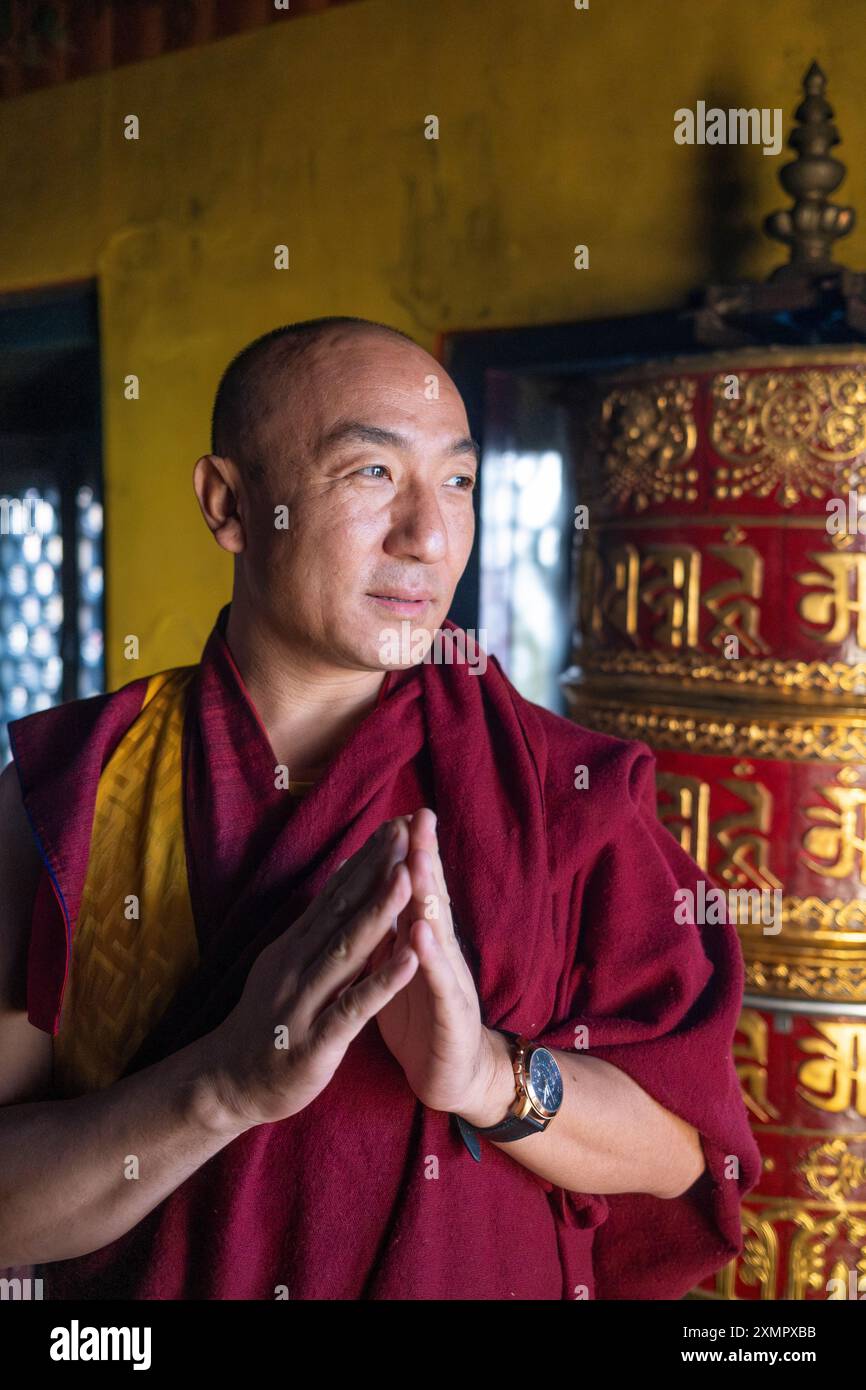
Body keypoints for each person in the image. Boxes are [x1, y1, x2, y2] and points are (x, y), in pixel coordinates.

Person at [0, 316, 760, 1300]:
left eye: (457, 482)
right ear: (230, 504)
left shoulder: (555, 785)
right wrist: (223, 1084)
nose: (430, 535)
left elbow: (678, 1154)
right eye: (370, 474)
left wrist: (484, 1078)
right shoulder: (76, 789)